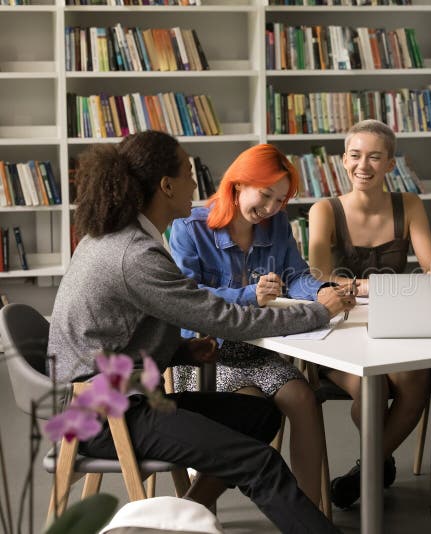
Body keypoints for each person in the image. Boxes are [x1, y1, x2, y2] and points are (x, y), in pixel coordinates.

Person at [48, 131, 355, 533]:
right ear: (166, 185)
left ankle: (181, 516)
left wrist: (182, 352)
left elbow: (118, 331)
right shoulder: (135, 254)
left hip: (109, 396)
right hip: (103, 415)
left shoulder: (121, 236)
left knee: (259, 417)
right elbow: (228, 320)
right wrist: (317, 313)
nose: (196, 183)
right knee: (258, 462)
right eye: (188, 172)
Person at [168, 144, 328, 505]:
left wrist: (324, 291)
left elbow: (297, 276)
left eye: (281, 200)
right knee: (253, 414)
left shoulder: (277, 224)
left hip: (256, 346)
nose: (271, 208)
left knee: (303, 400)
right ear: (239, 184)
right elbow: (185, 297)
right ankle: (197, 508)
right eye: (266, 195)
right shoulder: (189, 228)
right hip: (205, 353)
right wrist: (247, 296)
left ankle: (313, 514)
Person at [306, 119, 431, 508]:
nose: (363, 165)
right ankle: (377, 465)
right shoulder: (324, 210)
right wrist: (372, 287)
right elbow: (319, 278)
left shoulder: (410, 205)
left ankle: (368, 467)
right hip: (338, 331)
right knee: (372, 387)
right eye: (355, 155)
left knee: (417, 379)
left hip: (392, 326)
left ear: (390, 164)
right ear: (343, 160)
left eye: (374, 157)